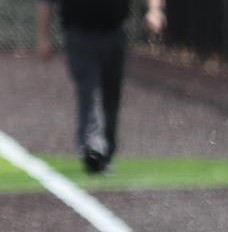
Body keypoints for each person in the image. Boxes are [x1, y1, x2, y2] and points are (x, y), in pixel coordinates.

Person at [35, 0, 165, 175]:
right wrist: (43, 37)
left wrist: (154, 11)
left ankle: (106, 151)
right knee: (89, 89)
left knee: (111, 95)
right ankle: (93, 148)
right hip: (79, 33)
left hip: (115, 31)